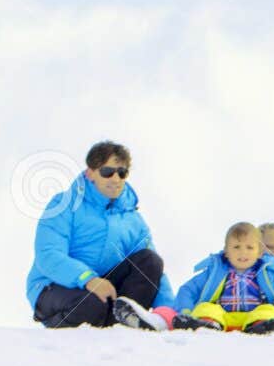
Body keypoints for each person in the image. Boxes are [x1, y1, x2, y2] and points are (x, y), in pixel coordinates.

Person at [27, 141, 174, 331]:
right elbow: (48, 254)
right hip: (54, 286)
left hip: (104, 291)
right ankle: (60, 331)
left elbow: (153, 272)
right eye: (108, 172)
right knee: (92, 305)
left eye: (122, 173)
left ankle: (122, 326)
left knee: (150, 260)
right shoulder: (64, 204)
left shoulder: (132, 219)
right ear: (91, 173)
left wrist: (169, 311)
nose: (116, 178)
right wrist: (88, 279)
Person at [171, 222, 274, 334]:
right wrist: (186, 312)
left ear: (258, 252)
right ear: (226, 251)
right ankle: (207, 325)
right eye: (237, 247)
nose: (243, 252)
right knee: (205, 307)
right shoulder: (216, 271)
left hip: (254, 315)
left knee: (269, 309)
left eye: (249, 248)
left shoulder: (269, 273)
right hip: (221, 315)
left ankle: (261, 327)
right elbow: (188, 290)